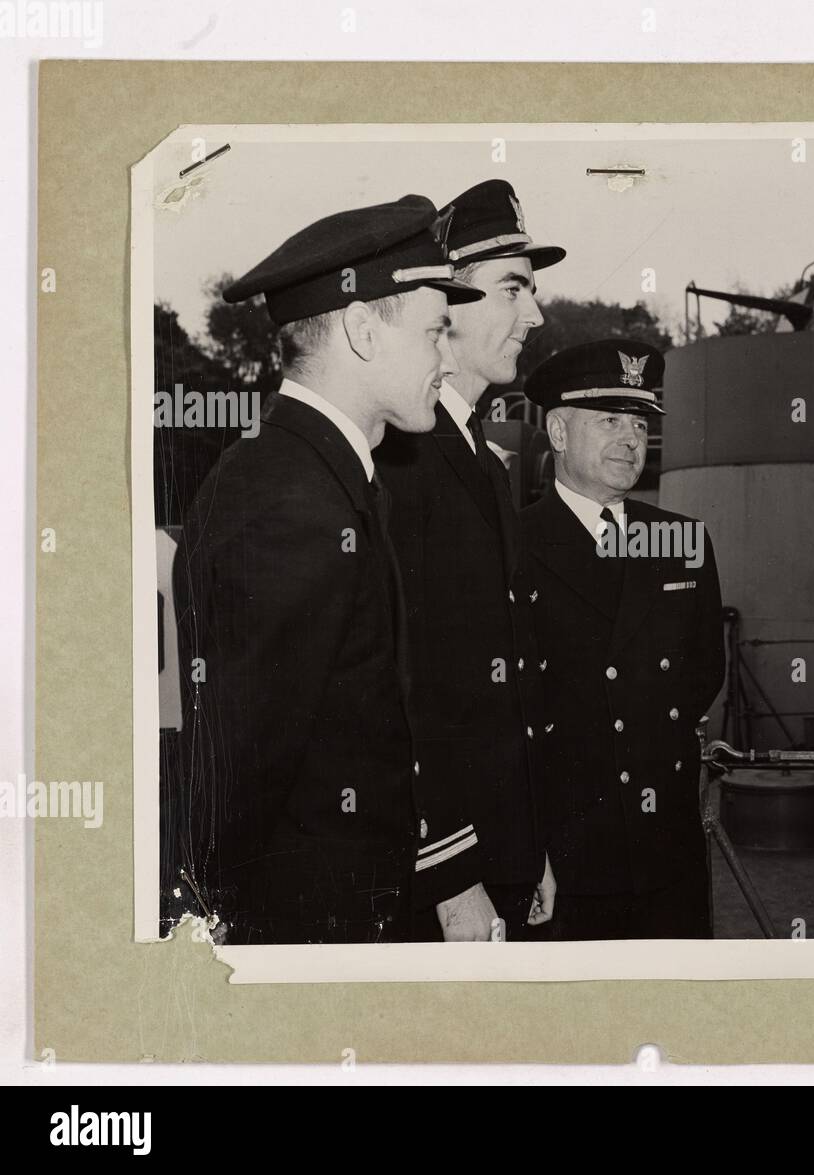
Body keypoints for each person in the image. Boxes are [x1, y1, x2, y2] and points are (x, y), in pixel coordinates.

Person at [173, 194, 497, 944]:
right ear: (360, 328)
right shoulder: (291, 501)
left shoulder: (320, 475)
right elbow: (234, 784)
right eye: (435, 330)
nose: (447, 358)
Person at [375, 180, 564, 938]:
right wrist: (450, 878)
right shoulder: (399, 463)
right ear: (442, 305)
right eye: (513, 289)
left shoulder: (482, 462)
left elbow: (505, 688)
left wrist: (530, 844)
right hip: (443, 884)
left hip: (502, 858)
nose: (536, 314)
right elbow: (395, 692)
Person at [520, 339, 725, 940]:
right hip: (566, 853)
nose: (630, 439)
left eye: (638, 423)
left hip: (668, 850)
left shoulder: (683, 539)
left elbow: (701, 671)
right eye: (609, 420)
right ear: (558, 432)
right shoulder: (512, 544)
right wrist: (530, 852)